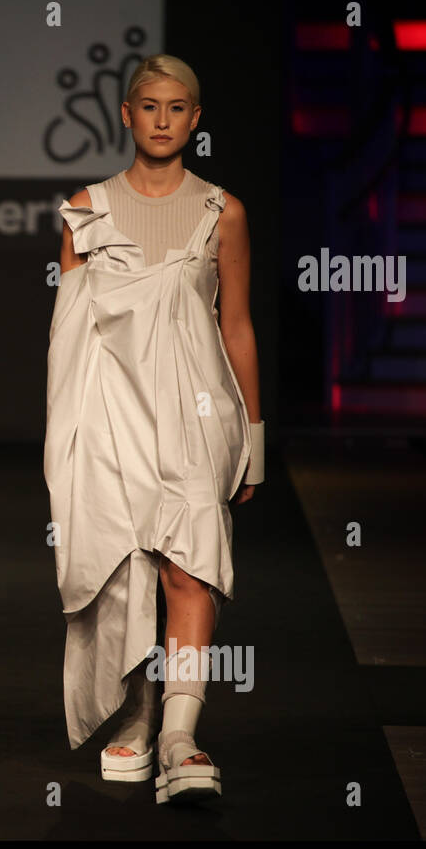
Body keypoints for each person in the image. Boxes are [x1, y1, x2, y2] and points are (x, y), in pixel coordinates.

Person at [46, 55, 265, 803]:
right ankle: (136, 714)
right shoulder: (84, 209)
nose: (163, 119)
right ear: (126, 115)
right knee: (122, 566)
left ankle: (180, 734)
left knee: (189, 562)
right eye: (149, 106)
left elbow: (235, 325)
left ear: (195, 119)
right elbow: (68, 336)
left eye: (178, 107)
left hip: (200, 412)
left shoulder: (223, 212)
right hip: (109, 412)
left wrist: (254, 437)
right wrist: (64, 441)